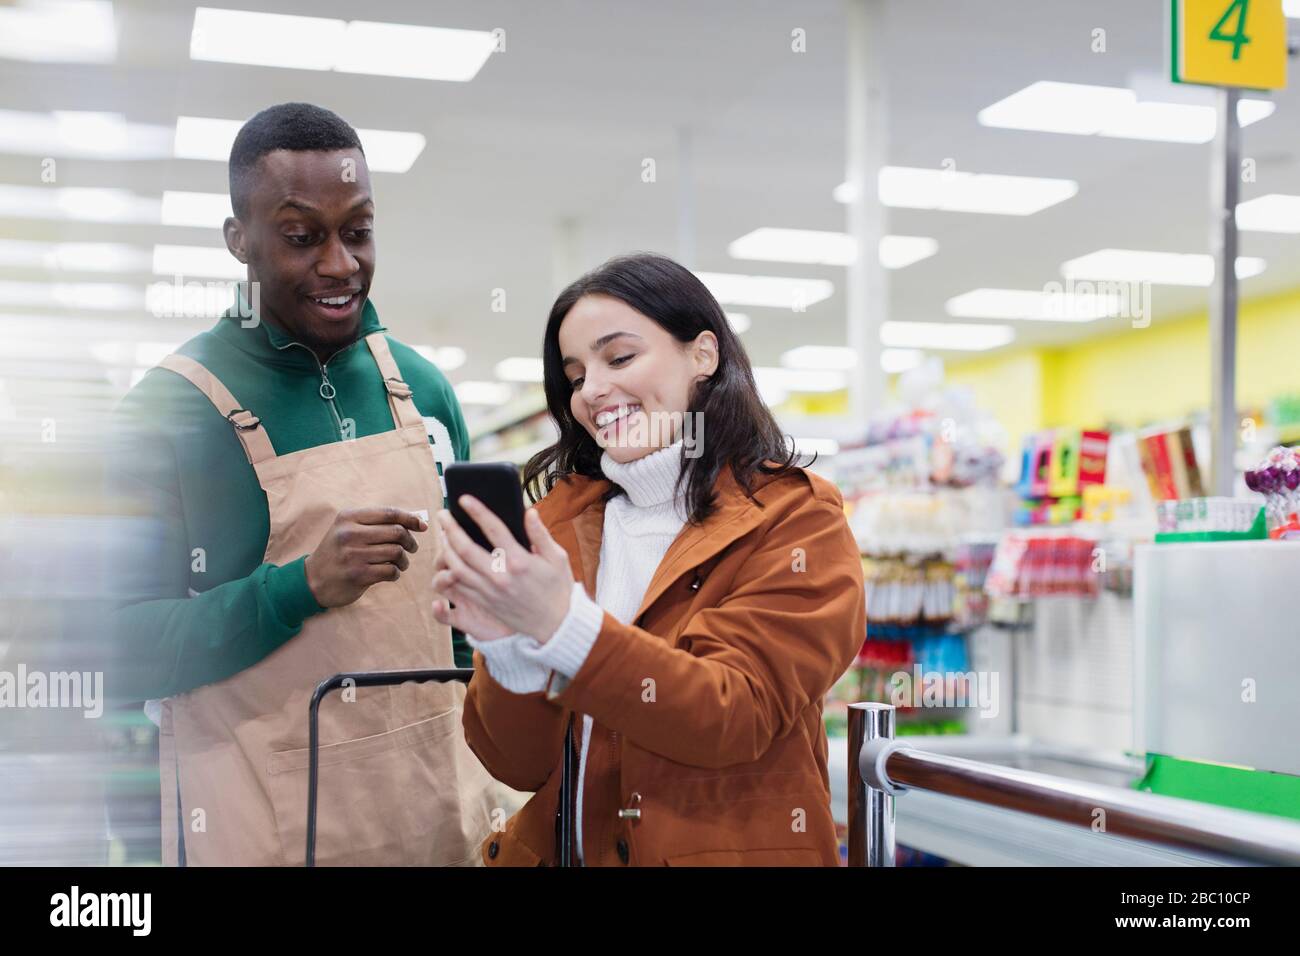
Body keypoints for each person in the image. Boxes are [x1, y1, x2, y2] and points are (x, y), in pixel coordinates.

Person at [109, 102, 495, 866]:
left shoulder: (421, 392)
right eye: (300, 237)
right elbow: (117, 649)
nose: (340, 265)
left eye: (357, 230)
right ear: (238, 240)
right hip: (266, 832)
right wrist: (299, 588)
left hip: (438, 820)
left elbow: (460, 627)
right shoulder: (166, 414)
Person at [435, 252, 866, 866]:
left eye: (620, 358)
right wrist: (506, 647)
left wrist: (564, 627)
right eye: (576, 374)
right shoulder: (558, 523)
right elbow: (519, 765)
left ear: (703, 355)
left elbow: (733, 711)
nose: (593, 391)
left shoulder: (795, 522)